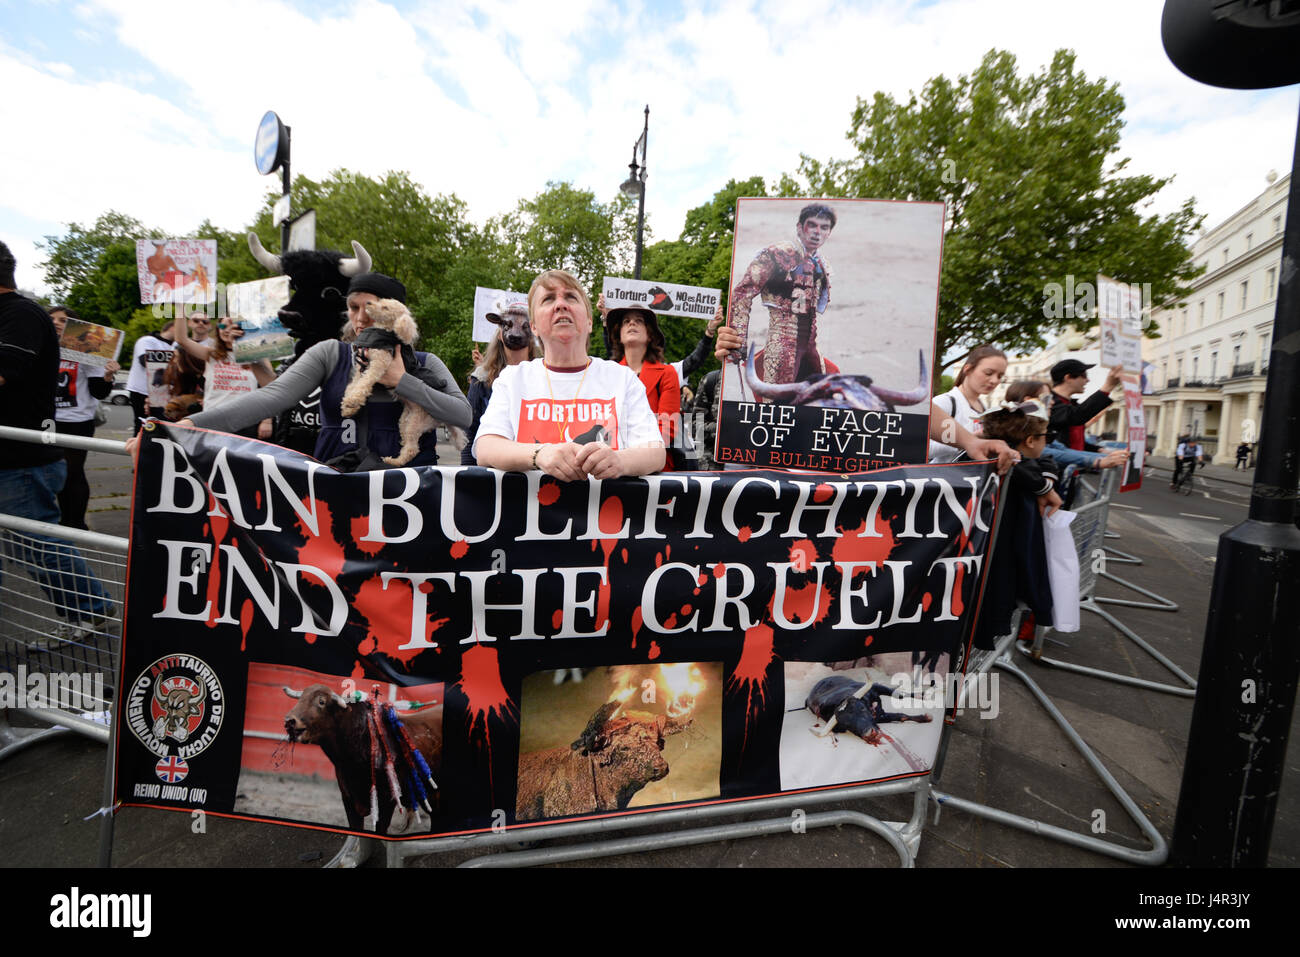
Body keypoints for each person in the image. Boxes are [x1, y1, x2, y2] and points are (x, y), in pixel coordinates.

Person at [176, 272, 470, 469]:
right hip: (334, 486)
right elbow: (273, 396)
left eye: (370, 307)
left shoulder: (425, 362)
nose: (360, 317)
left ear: (394, 312)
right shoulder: (331, 353)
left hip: (406, 497)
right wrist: (190, 424)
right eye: (353, 307)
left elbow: (463, 415)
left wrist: (401, 381)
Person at [0, 241, 113, 639]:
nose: (61, 325)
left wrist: (106, 371)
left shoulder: (24, 317)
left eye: (66, 321)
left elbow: (97, 390)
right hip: (33, 440)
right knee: (22, 544)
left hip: (34, 446)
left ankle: (90, 607)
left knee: (40, 541)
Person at [713, 326, 1019, 473]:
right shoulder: (746, 362)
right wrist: (731, 358)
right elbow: (733, 428)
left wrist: (969, 441)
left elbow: (910, 413)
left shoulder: (833, 372)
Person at [474, 269, 665, 479]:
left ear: (590, 322)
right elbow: (486, 447)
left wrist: (620, 461)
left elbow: (655, 452)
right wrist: (539, 454)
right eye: (548, 299)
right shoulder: (513, 379)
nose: (561, 305)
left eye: (571, 297)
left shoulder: (623, 378)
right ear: (534, 327)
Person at [725, 202, 836, 384]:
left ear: (829, 233)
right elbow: (742, 293)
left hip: (810, 346)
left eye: (824, 227)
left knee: (820, 399)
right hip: (782, 343)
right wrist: (737, 344)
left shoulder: (821, 263)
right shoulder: (778, 254)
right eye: (812, 225)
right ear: (800, 228)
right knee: (775, 403)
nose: (817, 232)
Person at [49, 307, 119, 530]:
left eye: (63, 320)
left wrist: (108, 376)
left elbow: (99, 392)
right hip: (46, 419)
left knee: (72, 471)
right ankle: (60, 520)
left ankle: (76, 523)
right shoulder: (41, 346)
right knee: (51, 471)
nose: (57, 323)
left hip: (77, 420)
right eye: (52, 318)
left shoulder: (85, 351)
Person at [171, 307, 275, 438]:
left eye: (232, 326)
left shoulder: (257, 357)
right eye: (222, 326)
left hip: (245, 420)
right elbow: (181, 339)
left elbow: (271, 389)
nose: (227, 330)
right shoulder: (211, 354)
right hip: (213, 419)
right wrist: (180, 305)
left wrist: (267, 421)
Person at [462, 300, 540, 466]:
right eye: (508, 325)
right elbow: (471, 427)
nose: (516, 332)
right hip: (493, 470)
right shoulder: (482, 377)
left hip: (534, 466)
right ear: (499, 334)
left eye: (523, 326)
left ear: (532, 330)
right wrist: (468, 475)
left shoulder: (543, 375)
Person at [606, 303, 681, 470]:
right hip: (609, 465)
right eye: (626, 321)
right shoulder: (609, 374)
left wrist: (629, 457)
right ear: (619, 335)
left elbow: (667, 429)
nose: (632, 323)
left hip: (653, 468)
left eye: (638, 321)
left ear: (650, 335)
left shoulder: (667, 373)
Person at [1006, 379, 1128, 471]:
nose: (1052, 402)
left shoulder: (1036, 427)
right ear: (1028, 401)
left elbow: (1062, 450)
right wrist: (1098, 461)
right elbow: (1049, 452)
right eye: (1047, 398)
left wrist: (1107, 456)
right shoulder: (1015, 429)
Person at [928, 345, 1006, 463]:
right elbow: (925, 448)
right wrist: (969, 440)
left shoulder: (983, 407)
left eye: (1000, 376)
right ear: (968, 369)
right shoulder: (945, 402)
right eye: (988, 373)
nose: (994, 380)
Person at [126, 317, 180, 433]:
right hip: (142, 391)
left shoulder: (176, 345)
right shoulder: (147, 340)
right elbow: (144, 360)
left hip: (163, 392)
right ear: (172, 328)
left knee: (161, 426)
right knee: (143, 424)